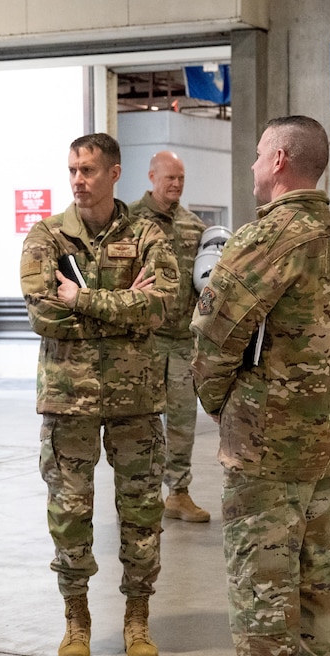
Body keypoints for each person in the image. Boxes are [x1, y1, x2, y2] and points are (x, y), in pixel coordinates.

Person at [192, 115, 330, 656]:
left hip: (266, 445)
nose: (252, 167)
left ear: (280, 161)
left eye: (258, 154)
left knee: (261, 580)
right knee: (315, 575)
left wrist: (217, 401)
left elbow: (215, 332)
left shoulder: (266, 237)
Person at [20, 133, 179, 656]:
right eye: (72, 170)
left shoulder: (147, 233)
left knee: (141, 512)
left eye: (88, 170)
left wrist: (84, 299)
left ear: (114, 173)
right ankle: (76, 620)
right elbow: (43, 313)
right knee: (69, 513)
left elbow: (162, 307)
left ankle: (137, 618)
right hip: (69, 401)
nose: (78, 180)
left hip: (136, 399)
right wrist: (123, 310)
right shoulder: (46, 237)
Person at [128, 151, 211, 523]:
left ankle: (178, 492)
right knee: (139, 420)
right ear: (151, 177)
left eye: (180, 178)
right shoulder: (129, 221)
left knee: (182, 419)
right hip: (142, 340)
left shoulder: (194, 227)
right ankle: (138, 496)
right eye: (169, 178)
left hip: (181, 341)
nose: (176, 184)